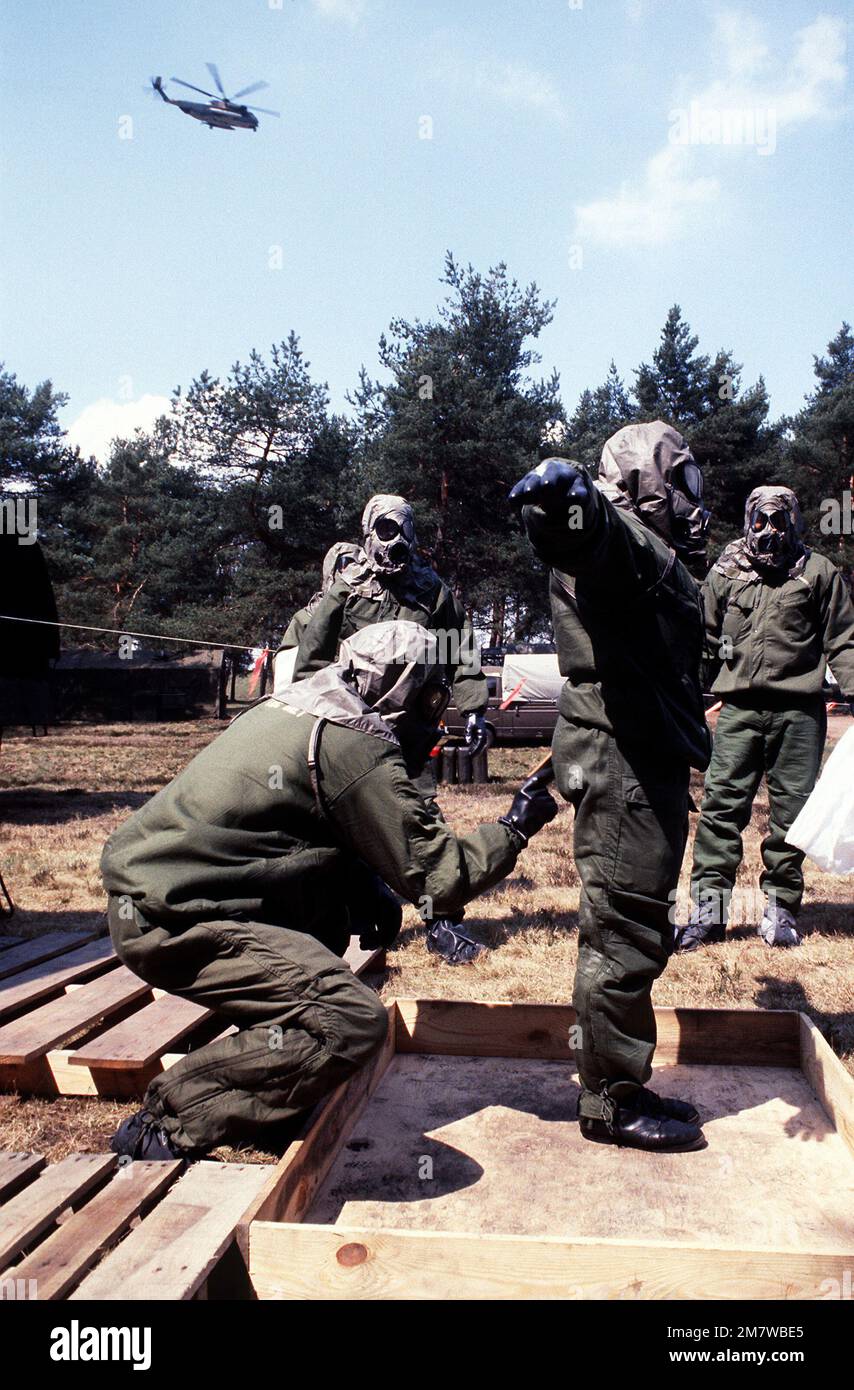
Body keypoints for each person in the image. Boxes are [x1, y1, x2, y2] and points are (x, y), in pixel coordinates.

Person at [102, 621, 557, 1161]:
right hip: (174, 918)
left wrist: (364, 889)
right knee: (351, 1024)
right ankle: (172, 1118)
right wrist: (514, 828)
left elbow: (299, 825)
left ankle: (272, 1095)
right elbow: (439, 878)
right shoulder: (352, 743)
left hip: (167, 898)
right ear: (415, 695)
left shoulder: (305, 706)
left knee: (326, 928)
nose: (438, 723)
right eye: (436, 704)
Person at [510, 421, 712, 1152]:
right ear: (649, 483)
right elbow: (590, 540)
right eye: (682, 482)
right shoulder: (620, 538)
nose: (695, 500)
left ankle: (620, 1076)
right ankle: (609, 1104)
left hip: (641, 754)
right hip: (622, 758)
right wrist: (567, 502)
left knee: (636, 922)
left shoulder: (647, 547)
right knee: (622, 928)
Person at [293, 494, 492, 964]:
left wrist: (475, 709)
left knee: (419, 818)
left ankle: (444, 922)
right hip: (352, 729)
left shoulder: (431, 591)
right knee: (337, 826)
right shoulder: (346, 590)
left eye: (404, 530)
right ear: (367, 533)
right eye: (386, 530)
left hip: (411, 731)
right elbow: (312, 658)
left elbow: (462, 651)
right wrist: (312, 717)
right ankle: (349, 918)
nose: (397, 541)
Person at [679, 485, 854, 951]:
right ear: (747, 520)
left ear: (795, 522)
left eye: (779, 521)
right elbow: (700, 635)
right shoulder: (725, 572)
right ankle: (708, 915)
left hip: (800, 714)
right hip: (738, 712)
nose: (770, 531)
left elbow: (843, 640)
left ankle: (781, 912)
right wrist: (686, 693)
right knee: (720, 811)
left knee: (791, 817)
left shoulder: (817, 572)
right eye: (760, 521)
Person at [273, 541, 364, 695]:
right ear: (331, 571)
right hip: (311, 696)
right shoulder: (305, 618)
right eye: (346, 565)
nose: (351, 571)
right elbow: (285, 669)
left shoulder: (365, 613)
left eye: (358, 565)